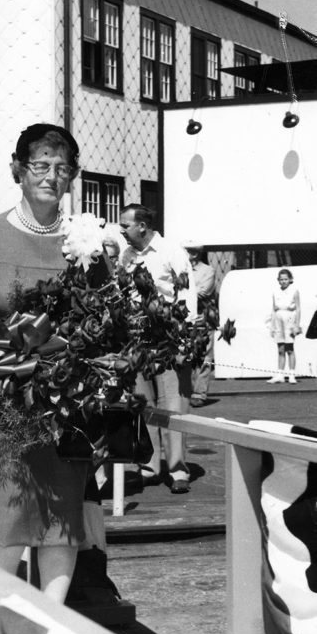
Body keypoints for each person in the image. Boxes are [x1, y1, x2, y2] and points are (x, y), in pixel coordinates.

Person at [0, 124, 92, 624]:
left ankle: (49, 622)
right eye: (41, 165)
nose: (52, 176)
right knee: (6, 505)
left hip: (66, 401)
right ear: (18, 171)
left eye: (62, 168)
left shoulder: (83, 241)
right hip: (3, 396)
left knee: (62, 510)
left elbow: (101, 319)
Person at [119, 204, 197, 494]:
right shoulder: (127, 256)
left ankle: (178, 470)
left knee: (172, 406)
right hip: (136, 341)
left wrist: (183, 341)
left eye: (125, 225)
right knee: (143, 404)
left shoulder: (172, 252)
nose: (121, 231)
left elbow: (187, 296)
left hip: (167, 339)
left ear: (142, 226)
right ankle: (150, 467)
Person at [185, 244, 217, 406]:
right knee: (187, 357)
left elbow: (203, 292)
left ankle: (199, 393)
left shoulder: (208, 271)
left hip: (202, 320)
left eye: (191, 251)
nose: (189, 254)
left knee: (204, 357)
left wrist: (182, 291)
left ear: (197, 254)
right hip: (185, 319)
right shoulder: (180, 269)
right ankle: (188, 391)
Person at [268, 268, 301, 384]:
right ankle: (280, 375)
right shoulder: (275, 292)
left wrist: (297, 324)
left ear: (290, 280)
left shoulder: (294, 291)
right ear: (278, 280)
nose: (283, 281)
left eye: (286, 279)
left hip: (289, 319)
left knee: (290, 349)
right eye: (281, 279)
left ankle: (292, 375)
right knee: (280, 348)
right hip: (278, 320)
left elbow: (298, 308)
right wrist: (272, 326)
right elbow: (273, 309)